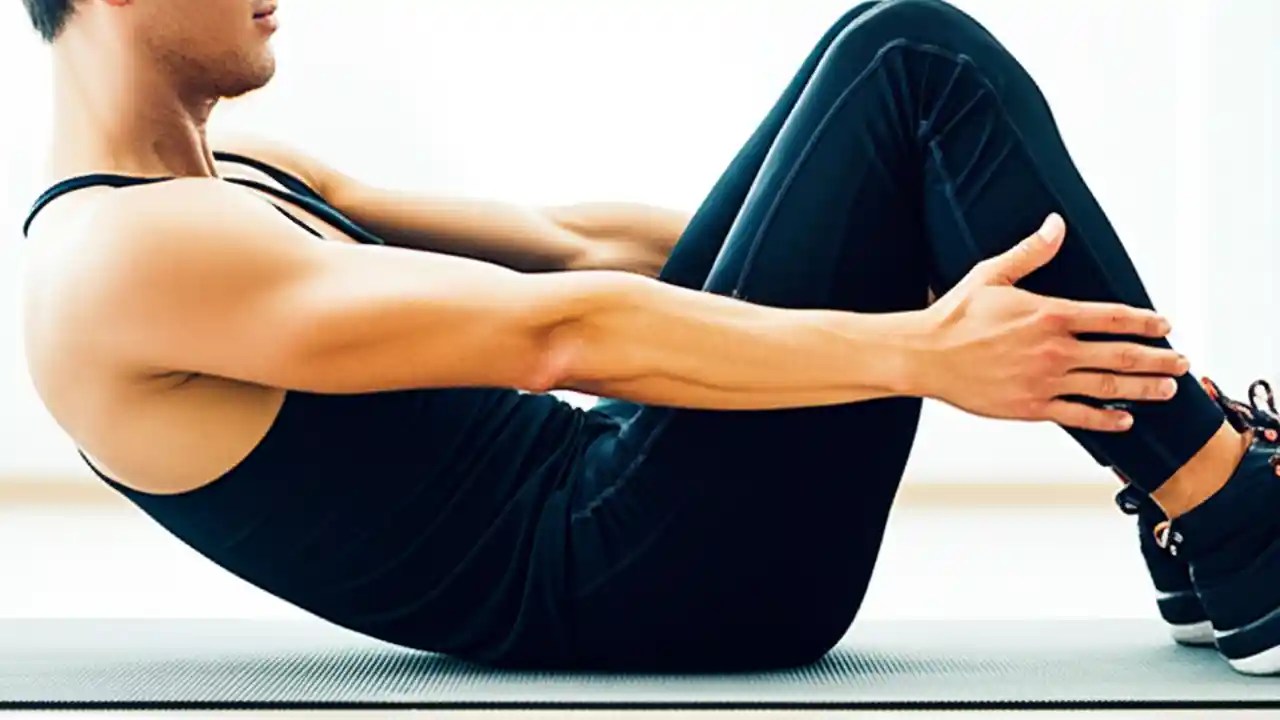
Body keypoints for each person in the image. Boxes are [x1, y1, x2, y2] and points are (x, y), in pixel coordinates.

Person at [17, 0, 1280, 675]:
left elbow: (572, 246)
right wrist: (911, 350)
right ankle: (1232, 520)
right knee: (910, 53)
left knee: (878, 59)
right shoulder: (111, 259)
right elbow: (555, 334)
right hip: (639, 583)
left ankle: (1200, 506)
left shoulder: (237, 172)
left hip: (632, 510)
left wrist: (871, 220)